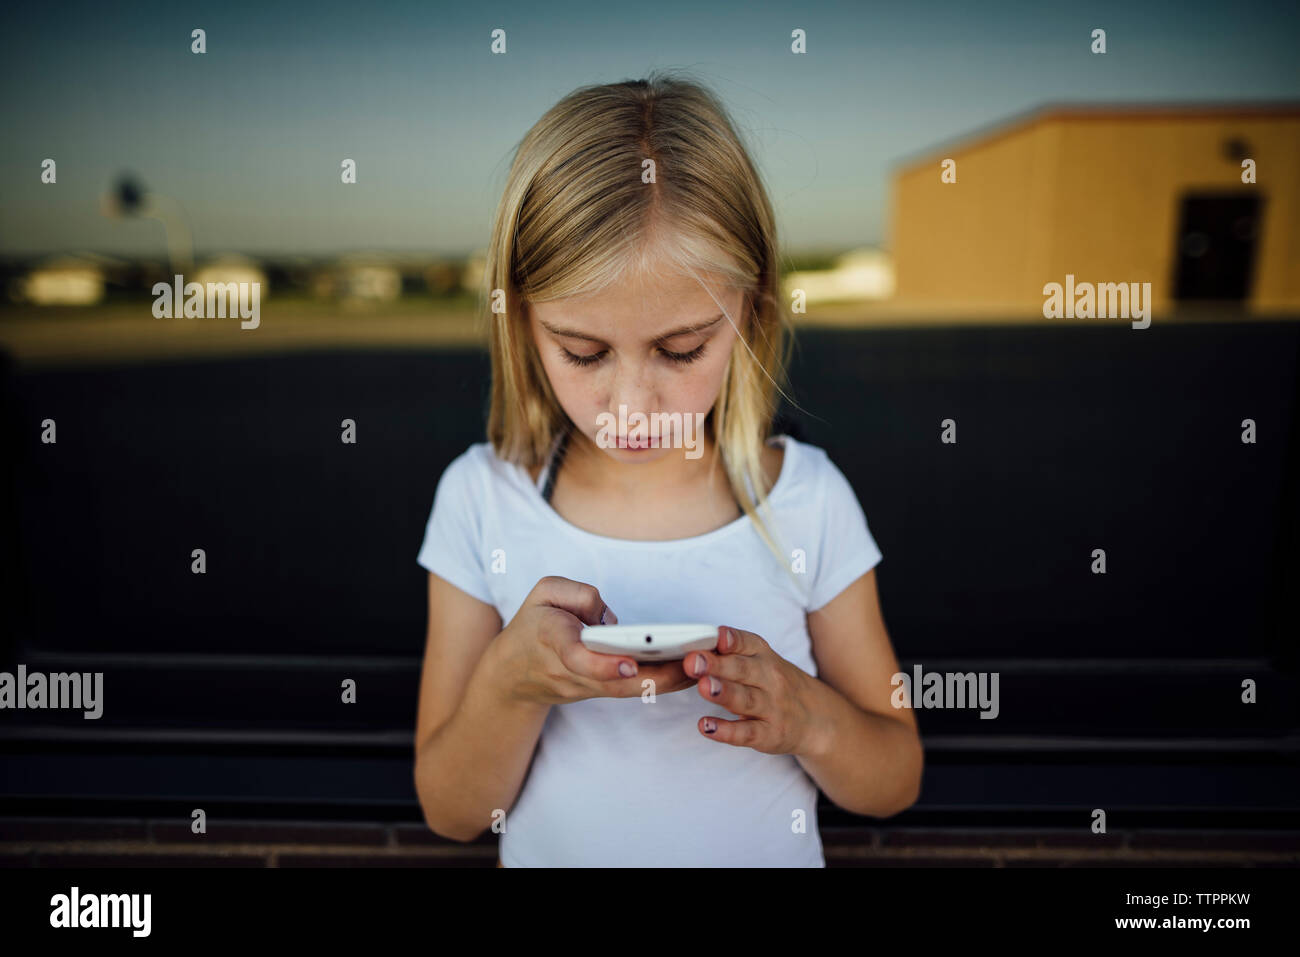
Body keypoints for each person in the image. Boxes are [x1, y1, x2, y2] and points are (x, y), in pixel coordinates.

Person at [413, 71, 922, 867]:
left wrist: (810, 717)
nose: (632, 404)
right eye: (583, 352)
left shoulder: (806, 499)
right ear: (522, 323)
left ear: (751, 309)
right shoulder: (483, 499)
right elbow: (451, 809)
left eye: (681, 349)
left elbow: (895, 776)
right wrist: (510, 685)